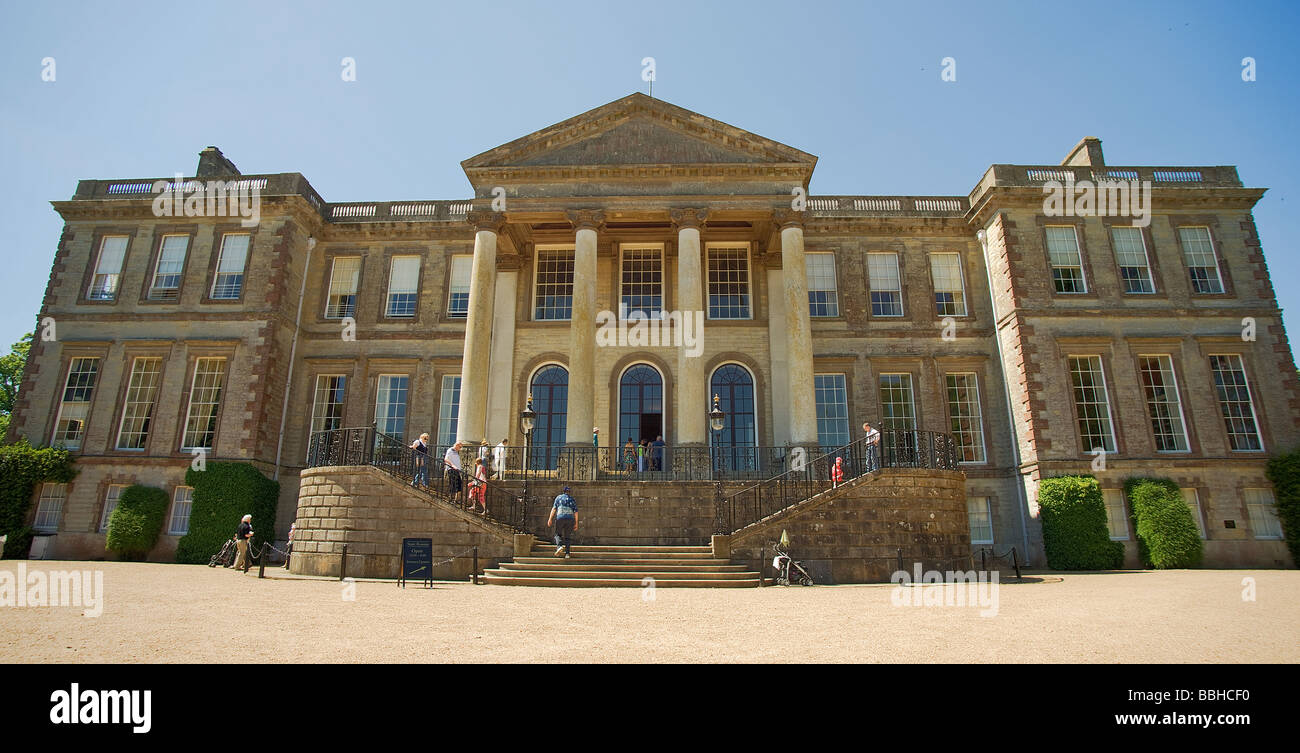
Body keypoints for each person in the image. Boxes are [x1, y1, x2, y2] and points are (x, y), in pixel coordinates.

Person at [547, 486, 579, 557]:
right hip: (570, 518)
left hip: (560, 517)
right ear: (569, 492)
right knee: (567, 536)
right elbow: (576, 512)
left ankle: (559, 546)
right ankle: (567, 554)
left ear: (563, 491)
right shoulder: (572, 499)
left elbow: (554, 509)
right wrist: (576, 523)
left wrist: (550, 519)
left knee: (558, 534)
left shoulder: (558, 498)